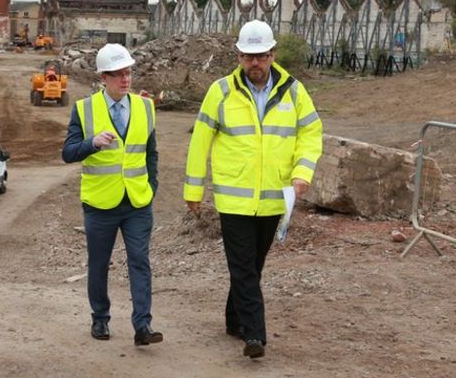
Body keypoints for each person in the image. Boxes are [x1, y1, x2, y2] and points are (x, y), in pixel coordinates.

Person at [183, 20, 323, 360]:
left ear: (272, 54)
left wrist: (302, 173)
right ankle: (254, 334)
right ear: (239, 56)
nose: (255, 63)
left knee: (252, 266)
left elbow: (311, 133)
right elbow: (200, 141)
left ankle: (234, 320)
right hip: (234, 199)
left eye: (261, 56)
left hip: (274, 198)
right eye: (248, 57)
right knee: (244, 267)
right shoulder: (221, 92)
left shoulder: (293, 91)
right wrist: (193, 189)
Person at [61, 43, 162, 346]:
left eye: (128, 72)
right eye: (118, 74)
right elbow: (68, 153)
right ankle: (100, 318)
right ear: (103, 77)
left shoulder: (145, 107)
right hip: (100, 203)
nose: (125, 79)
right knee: (99, 264)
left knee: (140, 261)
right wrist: (91, 143)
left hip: (137, 202)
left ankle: (143, 326)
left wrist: (151, 187)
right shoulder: (84, 109)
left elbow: (151, 153)